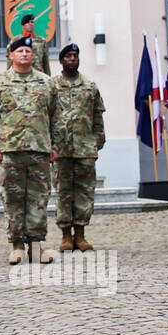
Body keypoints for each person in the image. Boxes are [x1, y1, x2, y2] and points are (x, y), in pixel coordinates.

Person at [0, 35, 64, 265]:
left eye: (28, 51)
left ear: (33, 55)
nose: (25, 54)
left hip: (39, 150)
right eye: (20, 52)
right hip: (10, 150)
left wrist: (56, 146)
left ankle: (36, 247)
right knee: (12, 199)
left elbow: (57, 117)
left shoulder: (47, 83)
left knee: (39, 199)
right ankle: (17, 245)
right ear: (11, 55)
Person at [52, 43, 105, 251]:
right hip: (61, 149)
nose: (72, 59)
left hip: (85, 148)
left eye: (75, 56)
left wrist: (97, 142)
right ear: (62, 61)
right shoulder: (52, 86)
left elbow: (97, 116)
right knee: (63, 192)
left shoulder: (90, 86)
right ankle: (66, 235)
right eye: (68, 56)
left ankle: (81, 234)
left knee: (84, 192)